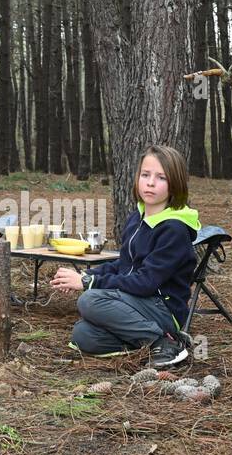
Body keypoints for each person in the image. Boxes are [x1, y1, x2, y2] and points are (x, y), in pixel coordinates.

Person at [50, 144, 199, 369]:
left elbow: (145, 282)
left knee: (89, 300)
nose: (150, 183)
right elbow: (124, 265)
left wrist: (89, 283)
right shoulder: (137, 217)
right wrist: (87, 274)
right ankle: (145, 343)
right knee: (82, 334)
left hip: (163, 309)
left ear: (175, 183)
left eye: (161, 178)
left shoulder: (174, 229)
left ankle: (165, 342)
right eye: (145, 175)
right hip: (135, 302)